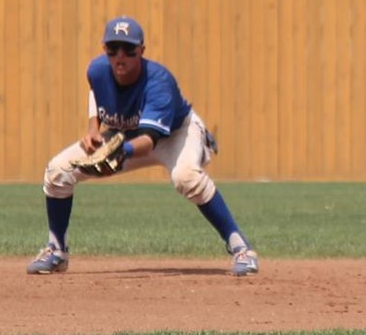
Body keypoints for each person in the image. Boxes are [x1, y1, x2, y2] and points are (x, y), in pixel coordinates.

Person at [27, 16, 260, 277]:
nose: (120, 56)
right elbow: (96, 93)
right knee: (58, 171)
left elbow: (149, 140)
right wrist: (93, 129)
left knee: (186, 177)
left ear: (142, 51)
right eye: (113, 49)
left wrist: (118, 152)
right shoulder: (97, 70)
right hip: (126, 136)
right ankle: (56, 251)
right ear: (105, 50)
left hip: (175, 133)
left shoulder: (158, 82)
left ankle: (242, 249)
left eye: (129, 49)